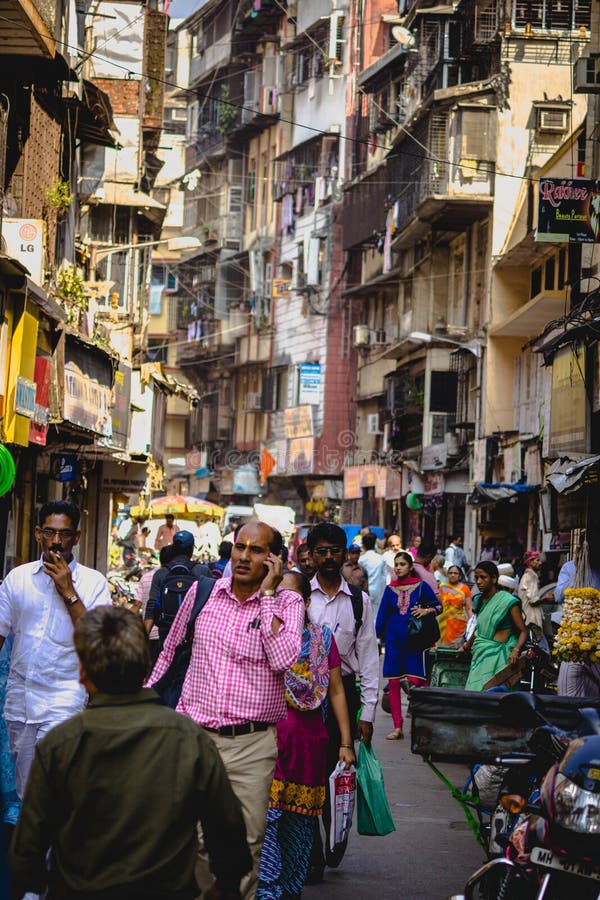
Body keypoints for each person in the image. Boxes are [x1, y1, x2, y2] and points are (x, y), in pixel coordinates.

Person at [9, 605, 252, 900]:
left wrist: (32, 886)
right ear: (145, 663)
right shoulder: (188, 739)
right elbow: (227, 830)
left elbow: (28, 848)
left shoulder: (61, 744)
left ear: (83, 673)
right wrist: (224, 885)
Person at [146, 521, 304, 900]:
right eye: (240, 547)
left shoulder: (288, 603)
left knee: (247, 842)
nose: (244, 556)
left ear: (273, 559)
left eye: (255, 550)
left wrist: (267, 597)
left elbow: (283, 659)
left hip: (252, 745)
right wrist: (144, 697)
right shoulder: (204, 592)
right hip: (197, 738)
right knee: (196, 838)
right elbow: (169, 651)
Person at [0, 500, 111, 805]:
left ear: (76, 537)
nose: (57, 541)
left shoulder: (93, 583)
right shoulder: (17, 579)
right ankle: (36, 851)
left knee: (55, 791)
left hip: (65, 699)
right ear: (38, 534)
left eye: (65, 534)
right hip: (21, 701)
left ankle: (55, 852)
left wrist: (68, 590)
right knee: (26, 794)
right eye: (50, 532)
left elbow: (97, 641)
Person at [256, 571, 355, 900]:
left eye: (292, 597)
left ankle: (290, 889)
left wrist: (346, 742)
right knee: (266, 821)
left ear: (306, 601)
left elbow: (338, 691)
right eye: (277, 596)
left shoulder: (322, 639)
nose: (285, 603)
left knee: (298, 826)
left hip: (309, 746)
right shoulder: (263, 635)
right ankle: (269, 889)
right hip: (268, 743)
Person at [305, 524, 379, 881]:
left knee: (339, 771)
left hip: (344, 696)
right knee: (308, 776)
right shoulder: (299, 596)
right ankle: (311, 854)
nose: (329, 557)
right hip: (302, 697)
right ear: (311, 555)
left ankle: (336, 833)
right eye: (321, 551)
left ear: (345, 552)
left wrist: (369, 712)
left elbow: (368, 659)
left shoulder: (359, 601)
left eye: (334, 550)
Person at [376, 551, 441, 740]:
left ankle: (418, 724)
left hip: (415, 641)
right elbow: (382, 617)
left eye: (402, 564)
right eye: (396, 564)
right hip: (394, 641)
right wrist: (374, 639)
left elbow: (439, 607)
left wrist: (425, 610)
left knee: (416, 682)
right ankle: (398, 727)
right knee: (394, 682)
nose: (398, 567)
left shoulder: (421, 586)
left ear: (410, 567)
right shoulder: (390, 590)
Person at [462, 561, 528, 691]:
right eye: (476, 578)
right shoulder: (478, 600)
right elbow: (479, 628)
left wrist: (516, 650)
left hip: (501, 658)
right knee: (474, 692)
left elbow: (523, 631)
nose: (479, 582)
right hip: (479, 655)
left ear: (494, 579)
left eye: (483, 577)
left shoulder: (508, 601)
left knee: (494, 697)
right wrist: (466, 646)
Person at [143, 530, 211, 648]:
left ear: (173, 548)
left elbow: (151, 608)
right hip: (193, 636)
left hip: (166, 634)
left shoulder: (161, 573)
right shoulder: (203, 571)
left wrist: (142, 640)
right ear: (191, 549)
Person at [135, 544, 177, 664]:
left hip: (149, 635)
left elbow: (137, 605)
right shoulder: (174, 579)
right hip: (167, 635)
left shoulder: (146, 577)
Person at [438, 565, 472, 647]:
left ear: (459, 576)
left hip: (459, 625)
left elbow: (469, 608)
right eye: (450, 573)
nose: (452, 575)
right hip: (444, 624)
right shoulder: (442, 587)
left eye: (455, 573)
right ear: (447, 575)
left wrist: (472, 624)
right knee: (443, 650)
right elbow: (439, 605)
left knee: (456, 650)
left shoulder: (465, 588)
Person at [517, 551, 545, 645]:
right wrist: (546, 599)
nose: (540, 563)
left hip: (528, 618)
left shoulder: (528, 576)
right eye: (537, 560)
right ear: (530, 562)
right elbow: (533, 600)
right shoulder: (530, 576)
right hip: (531, 620)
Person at [358, 532, 387, 616]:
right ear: (375, 544)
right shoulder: (381, 559)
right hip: (378, 590)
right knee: (376, 614)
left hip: (364, 590)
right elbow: (384, 577)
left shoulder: (361, 560)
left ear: (363, 545)